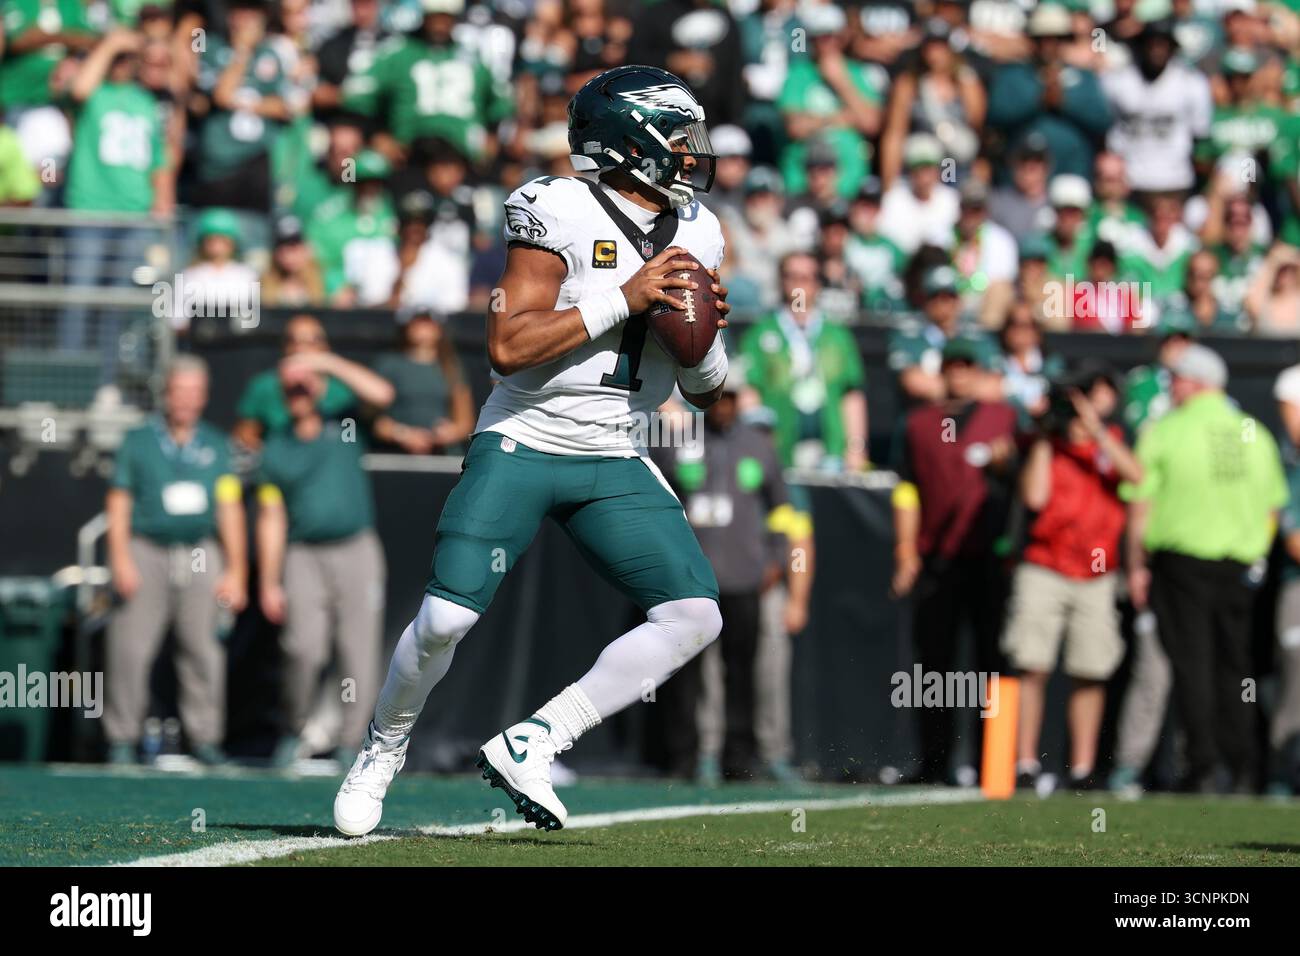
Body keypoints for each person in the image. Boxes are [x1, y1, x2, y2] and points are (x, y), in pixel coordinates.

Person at [332, 66, 731, 835]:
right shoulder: (557, 206)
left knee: (694, 615)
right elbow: (509, 346)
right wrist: (626, 295)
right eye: (679, 138)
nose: (693, 153)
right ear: (631, 141)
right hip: (527, 437)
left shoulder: (704, 229)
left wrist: (707, 346)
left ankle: (536, 739)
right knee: (446, 619)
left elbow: (708, 391)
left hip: (617, 451)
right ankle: (383, 747)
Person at [1124, 344, 1287, 793]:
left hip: (1182, 565)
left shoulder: (1167, 429)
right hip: (1240, 567)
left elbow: (1142, 502)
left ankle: (1203, 768)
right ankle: (1245, 768)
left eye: (1176, 378)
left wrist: (1136, 566)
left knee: (1193, 665)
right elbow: (1274, 508)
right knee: (1237, 668)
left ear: (1193, 382)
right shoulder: (1254, 431)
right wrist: (1254, 552)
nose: (1171, 386)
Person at [652, 371, 813, 783]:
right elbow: (660, 498)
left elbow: (783, 511)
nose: (722, 404)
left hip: (745, 577)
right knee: (698, 676)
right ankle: (699, 755)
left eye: (730, 397)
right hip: (696, 580)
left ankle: (740, 757)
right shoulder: (681, 442)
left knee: (743, 672)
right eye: (716, 397)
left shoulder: (759, 446)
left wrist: (776, 558)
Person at [103, 357, 247, 765]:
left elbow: (229, 507)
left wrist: (237, 569)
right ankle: (121, 738)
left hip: (201, 549)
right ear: (166, 393)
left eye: (194, 392)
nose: (186, 400)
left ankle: (205, 739)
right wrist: (120, 559)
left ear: (204, 397)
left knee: (203, 649)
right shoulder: (138, 441)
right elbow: (118, 501)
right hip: (147, 548)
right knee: (129, 647)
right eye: (179, 390)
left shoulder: (217, 445)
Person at [1004, 368, 1142, 792]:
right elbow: (1034, 498)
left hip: (1096, 572)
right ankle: (1025, 762)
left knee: (1090, 669)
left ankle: (1082, 768)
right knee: (1033, 665)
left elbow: (1136, 476)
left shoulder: (1112, 440)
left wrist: (1095, 430)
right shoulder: (1045, 445)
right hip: (1045, 564)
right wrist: (1047, 434)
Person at [891, 336, 1018, 784]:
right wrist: (905, 550)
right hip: (938, 556)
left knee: (995, 663)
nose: (960, 373)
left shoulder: (1005, 419)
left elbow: (1024, 483)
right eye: (953, 365)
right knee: (935, 667)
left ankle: (996, 765)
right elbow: (906, 490)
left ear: (980, 370)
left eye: (968, 365)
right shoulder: (919, 423)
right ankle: (935, 761)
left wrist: (1007, 465)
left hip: (991, 557)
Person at [256, 356, 394, 767]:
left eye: (305, 386)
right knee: (303, 648)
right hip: (304, 554)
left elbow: (383, 394)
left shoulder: (345, 423)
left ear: (319, 386)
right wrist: (268, 581)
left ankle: (351, 741)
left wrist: (322, 362)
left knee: (357, 651)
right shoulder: (276, 445)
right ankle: (295, 728)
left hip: (356, 548)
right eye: (291, 388)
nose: (299, 394)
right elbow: (271, 517)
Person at [738, 251, 868, 471]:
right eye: (792, 276)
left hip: (832, 454)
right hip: (778, 451)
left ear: (818, 283)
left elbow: (851, 395)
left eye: (806, 277)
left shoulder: (837, 335)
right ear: (781, 281)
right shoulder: (760, 333)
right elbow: (750, 393)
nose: (799, 285)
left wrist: (856, 449)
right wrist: (756, 448)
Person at [370, 310, 475, 454]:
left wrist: (449, 433)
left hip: (441, 455)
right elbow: (373, 419)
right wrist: (403, 434)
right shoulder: (388, 364)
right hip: (395, 455)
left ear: (439, 330)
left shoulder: (452, 368)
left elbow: (465, 421)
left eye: (428, 324)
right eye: (417, 323)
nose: (423, 329)